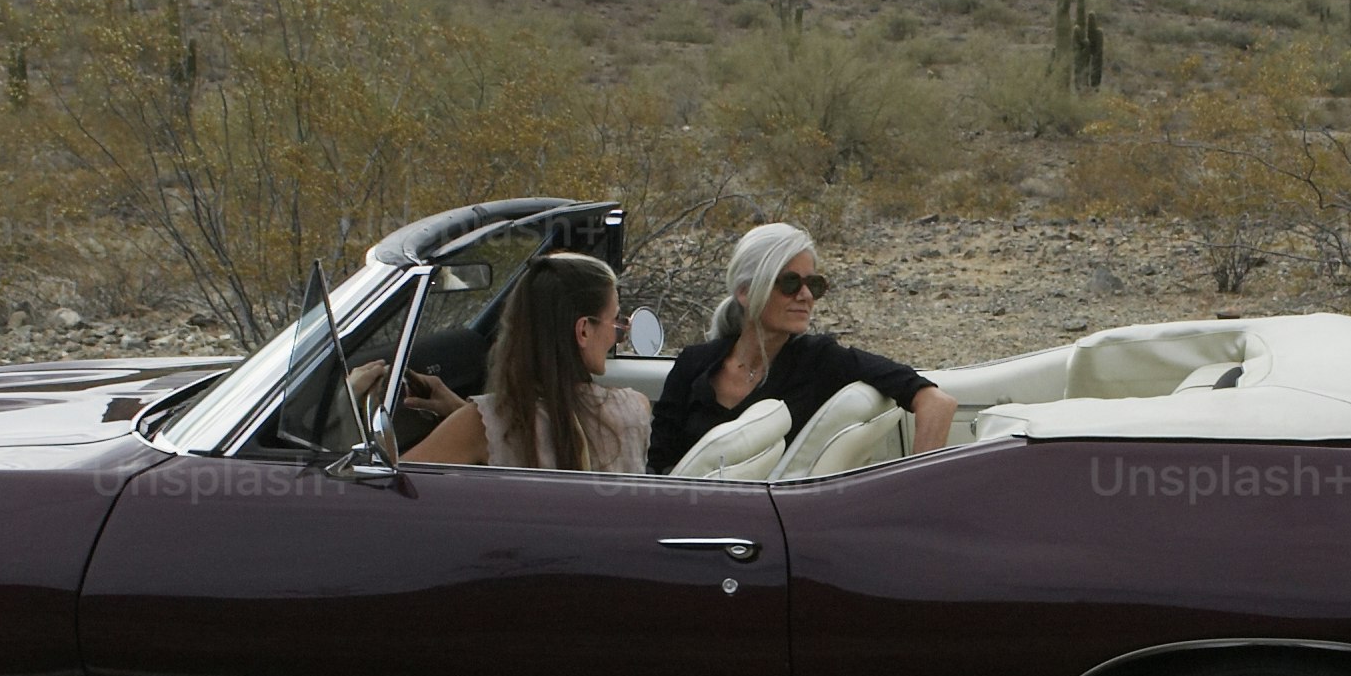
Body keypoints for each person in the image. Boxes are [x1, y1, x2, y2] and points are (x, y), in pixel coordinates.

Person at [645, 220, 958, 472]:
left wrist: (918, 493)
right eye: (790, 283)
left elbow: (936, 403)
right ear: (745, 292)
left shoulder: (821, 361)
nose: (806, 296)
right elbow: (658, 470)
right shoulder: (693, 364)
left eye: (815, 285)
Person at [407, 252, 648, 472]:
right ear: (583, 330)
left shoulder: (479, 425)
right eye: (616, 320)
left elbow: (395, 483)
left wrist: (465, 419)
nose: (620, 333)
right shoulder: (635, 410)